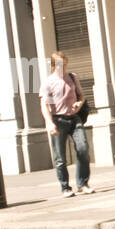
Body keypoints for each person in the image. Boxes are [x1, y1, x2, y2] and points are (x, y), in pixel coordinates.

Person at [39, 51, 92, 197]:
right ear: (53, 65)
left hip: (74, 118)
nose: (62, 67)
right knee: (60, 158)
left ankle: (82, 184)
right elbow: (44, 105)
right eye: (59, 65)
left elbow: (81, 95)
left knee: (83, 149)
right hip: (58, 120)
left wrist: (79, 104)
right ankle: (65, 187)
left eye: (64, 64)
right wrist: (49, 123)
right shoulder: (48, 82)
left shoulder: (73, 77)